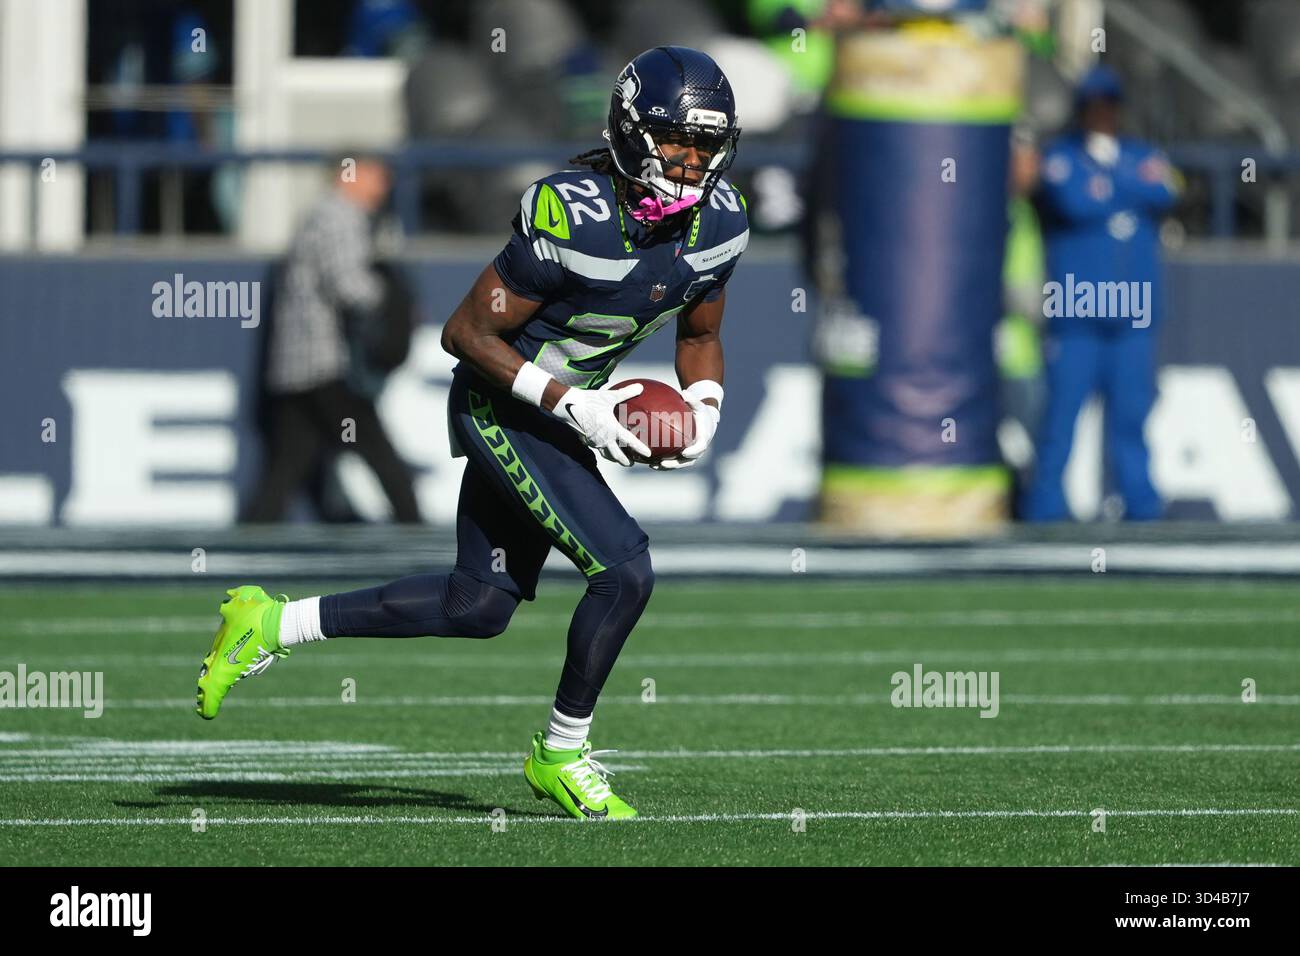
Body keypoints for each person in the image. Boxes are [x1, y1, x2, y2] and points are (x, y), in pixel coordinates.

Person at [195, 47, 749, 820]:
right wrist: (571, 404)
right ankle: (560, 751)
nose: (692, 164)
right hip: (504, 404)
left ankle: (268, 623)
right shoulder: (573, 215)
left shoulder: (719, 222)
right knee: (624, 571)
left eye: (706, 147)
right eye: (676, 143)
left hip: (558, 411)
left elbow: (699, 332)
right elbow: (463, 334)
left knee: (476, 606)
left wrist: (707, 410)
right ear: (630, 133)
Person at [1020, 65, 1179, 522]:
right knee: (1060, 419)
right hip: (1077, 312)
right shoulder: (1063, 157)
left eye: (1109, 105)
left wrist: (1111, 185)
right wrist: (1126, 190)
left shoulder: (1139, 153)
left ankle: (1142, 508)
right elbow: (1073, 201)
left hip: (1131, 313)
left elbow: (1166, 190)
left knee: (1131, 418)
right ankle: (1044, 510)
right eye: (1094, 105)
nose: (1102, 114)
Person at [242, 155, 421, 524]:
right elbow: (350, 287)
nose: (382, 186)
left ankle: (249, 540)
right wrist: (394, 299)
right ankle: (414, 530)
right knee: (379, 452)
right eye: (376, 177)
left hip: (296, 365)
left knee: (287, 465)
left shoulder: (319, 214)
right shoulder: (341, 216)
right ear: (350, 175)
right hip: (326, 363)